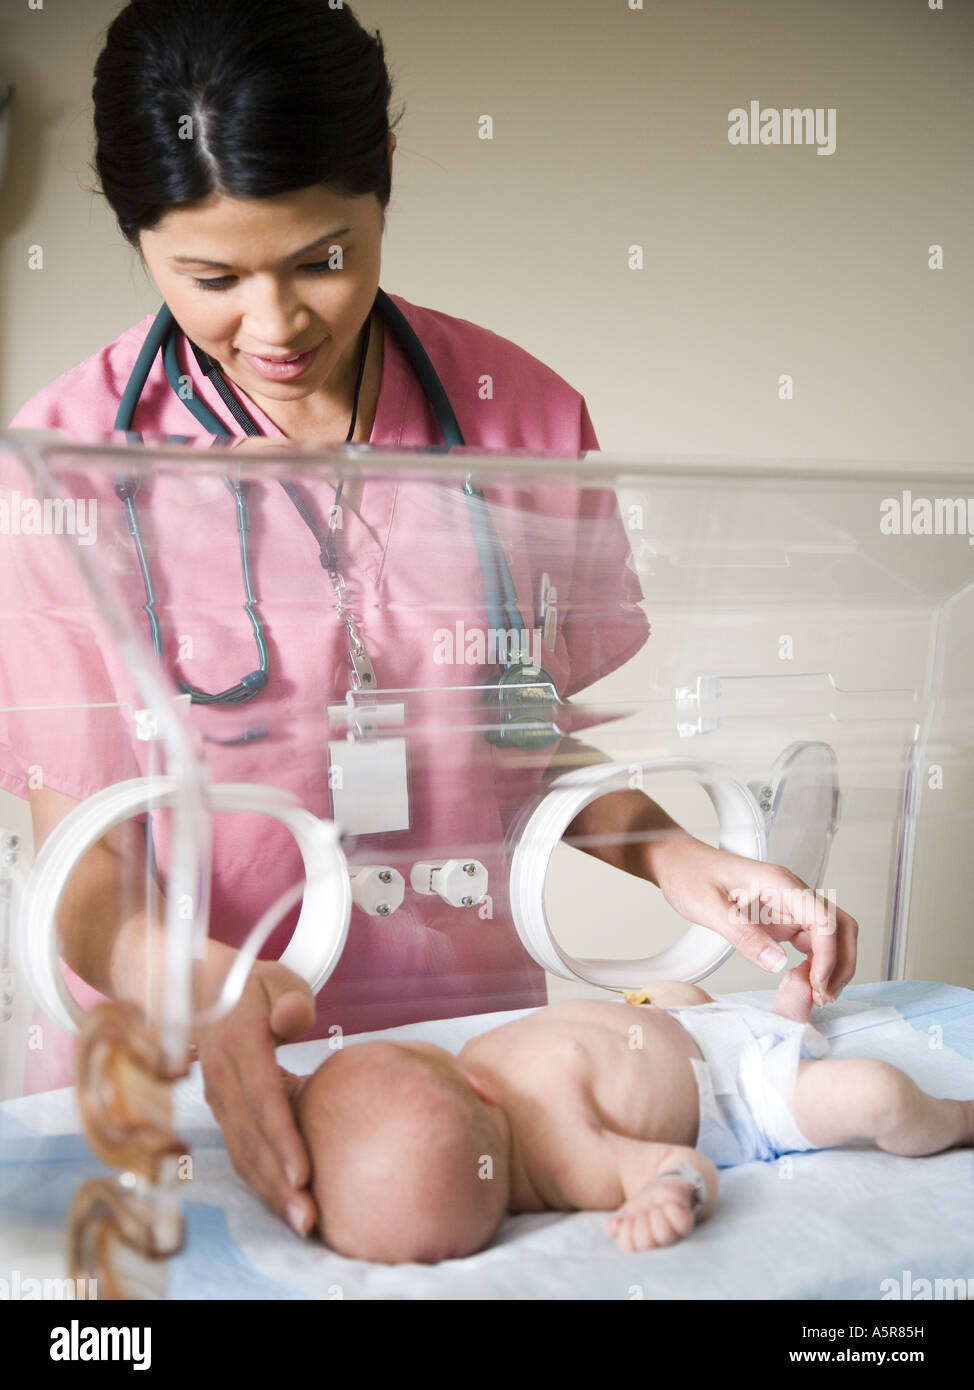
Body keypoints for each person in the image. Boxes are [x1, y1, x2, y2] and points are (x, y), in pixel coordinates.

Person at [1, 0, 857, 1240]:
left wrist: (677, 860)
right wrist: (196, 985)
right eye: (211, 277)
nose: (276, 324)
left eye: (319, 258)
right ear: (138, 239)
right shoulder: (63, 473)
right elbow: (78, 850)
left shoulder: (521, 425)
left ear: (386, 178)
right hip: (182, 1076)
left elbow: (515, 738)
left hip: (469, 1069)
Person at [291, 971, 974, 1265]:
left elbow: (357, 1103)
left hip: (682, 1018)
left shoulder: (470, 1058)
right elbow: (685, 1163)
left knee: (668, 987)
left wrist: (302, 1094)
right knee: (873, 1094)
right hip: (750, 1092)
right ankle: (948, 1119)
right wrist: (670, 1190)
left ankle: (781, 1017)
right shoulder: (566, 1161)